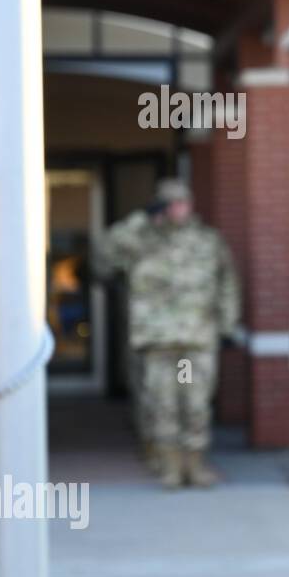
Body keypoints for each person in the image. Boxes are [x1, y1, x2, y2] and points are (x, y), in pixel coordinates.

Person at [97, 179, 239, 488]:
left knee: (196, 402)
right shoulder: (141, 241)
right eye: (170, 204)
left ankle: (196, 465)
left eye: (183, 202)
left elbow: (227, 282)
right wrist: (142, 220)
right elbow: (105, 253)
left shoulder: (207, 241)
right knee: (163, 404)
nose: (178, 209)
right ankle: (169, 467)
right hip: (159, 342)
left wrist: (228, 324)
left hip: (196, 340)